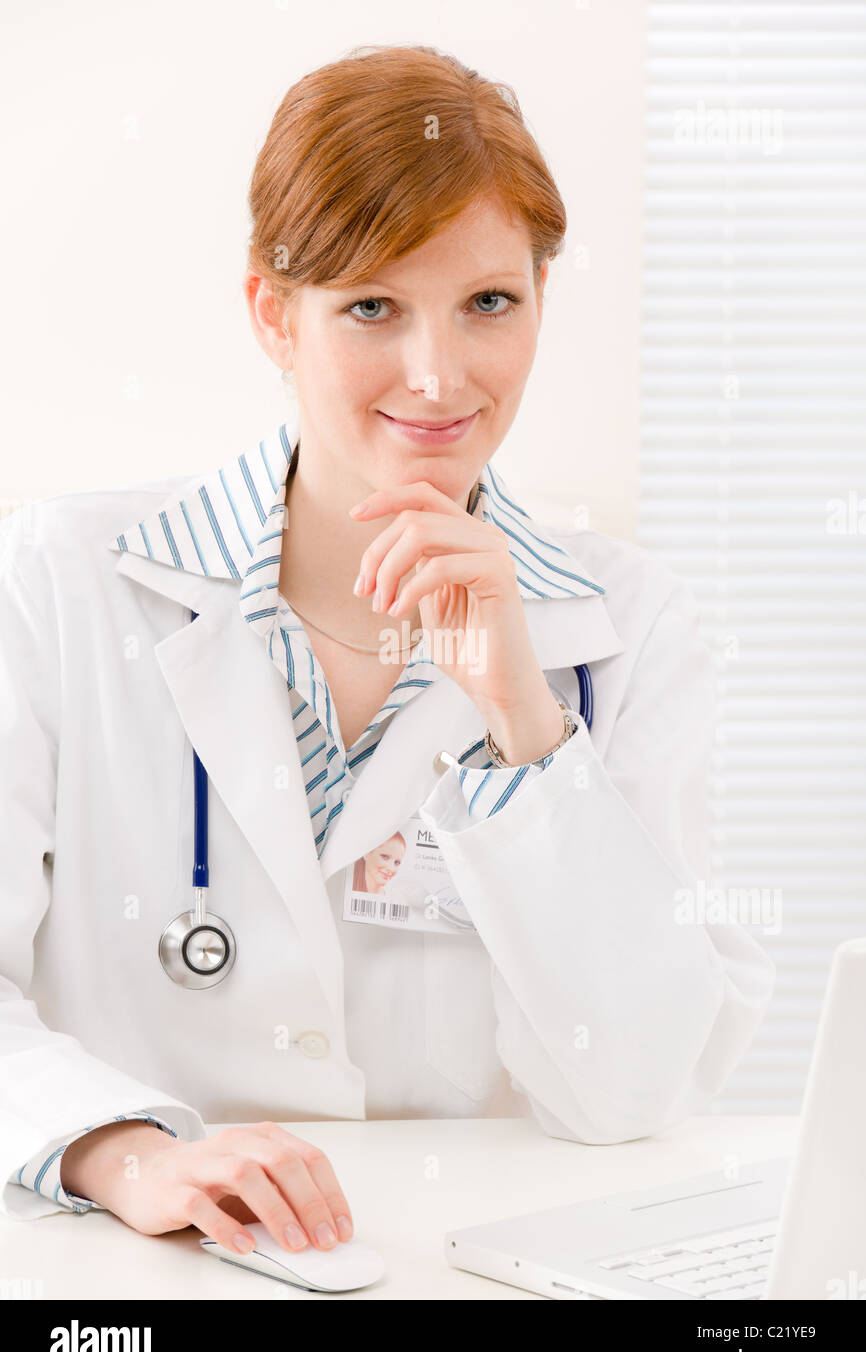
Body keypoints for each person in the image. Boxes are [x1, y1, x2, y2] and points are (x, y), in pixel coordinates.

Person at [0, 44, 775, 1265]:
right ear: (273, 312)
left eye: (488, 302)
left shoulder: (628, 630)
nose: (437, 374)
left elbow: (635, 1088)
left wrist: (522, 717)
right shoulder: (57, 583)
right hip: (138, 1266)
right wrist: (128, 1152)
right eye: (371, 306)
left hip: (467, 1273)